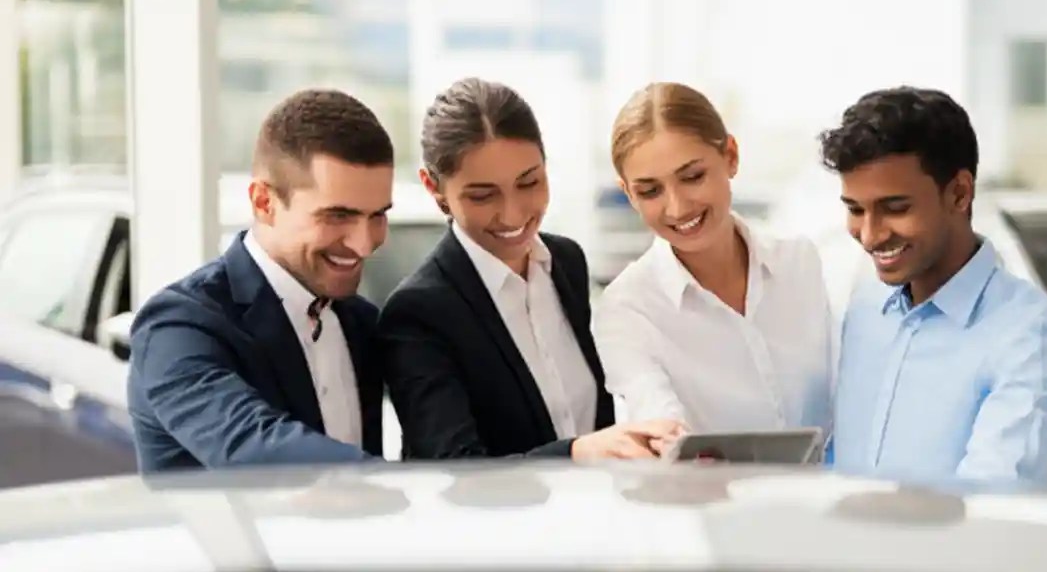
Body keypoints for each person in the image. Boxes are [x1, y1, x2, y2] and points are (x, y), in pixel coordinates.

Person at [379, 77, 683, 460]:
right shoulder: (417, 314)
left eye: (530, 182)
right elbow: (455, 468)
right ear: (433, 187)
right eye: (483, 195)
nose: (514, 213)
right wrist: (575, 454)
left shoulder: (566, 263)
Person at [822, 86, 1047, 483]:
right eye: (856, 210)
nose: (870, 236)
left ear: (959, 193)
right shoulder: (865, 310)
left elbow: (993, 510)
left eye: (895, 208)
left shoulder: (1027, 335)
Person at [128, 88, 393, 471]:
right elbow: (255, 445)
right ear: (264, 203)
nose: (365, 243)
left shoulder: (360, 322)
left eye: (377, 216)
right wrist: (407, 486)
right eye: (338, 216)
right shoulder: (179, 324)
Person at [593, 82, 833, 436]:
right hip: (706, 491)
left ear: (731, 156)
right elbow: (660, 424)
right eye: (650, 190)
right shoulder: (628, 308)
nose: (676, 207)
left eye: (692, 177)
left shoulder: (799, 262)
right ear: (628, 193)